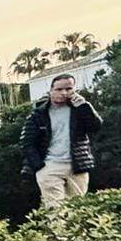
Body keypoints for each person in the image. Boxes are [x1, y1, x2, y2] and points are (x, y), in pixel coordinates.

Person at [21, 74, 103, 208]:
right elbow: (27, 143)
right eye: (59, 89)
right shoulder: (38, 114)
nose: (64, 93)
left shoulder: (79, 110)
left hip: (77, 166)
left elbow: (95, 127)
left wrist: (84, 106)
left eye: (68, 89)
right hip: (50, 166)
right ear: (51, 91)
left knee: (77, 208)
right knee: (55, 210)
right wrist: (39, 167)